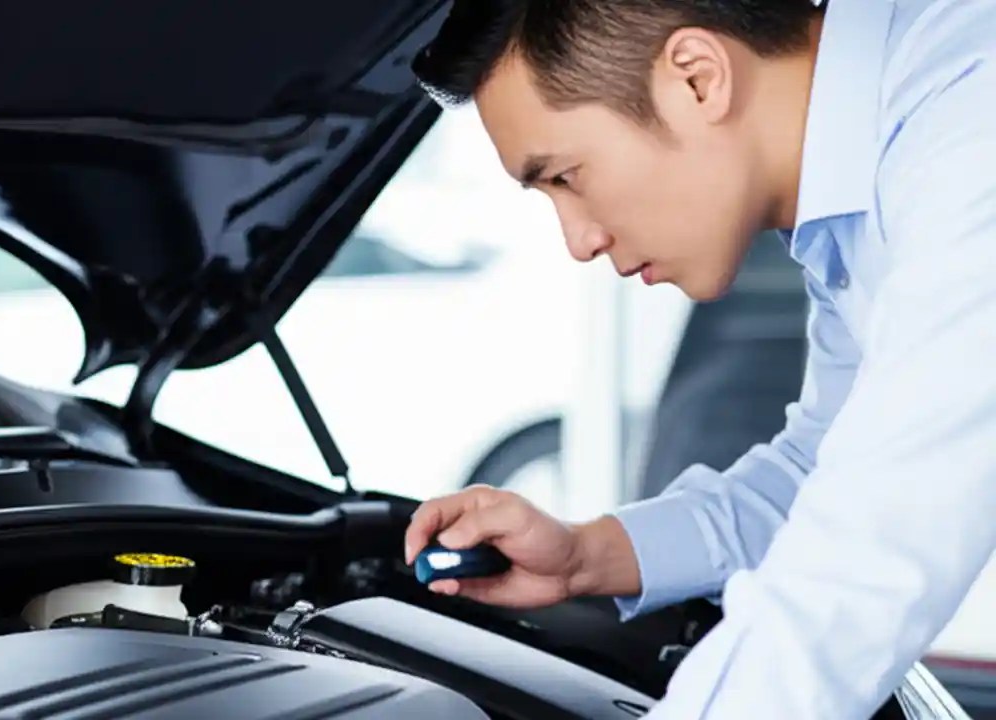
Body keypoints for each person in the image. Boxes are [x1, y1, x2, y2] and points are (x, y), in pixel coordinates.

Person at [402, 0, 996, 717]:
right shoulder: (862, 183)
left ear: (696, 78)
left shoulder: (969, 130)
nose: (578, 241)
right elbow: (826, 471)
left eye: (563, 176)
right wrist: (587, 556)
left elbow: (866, 559)